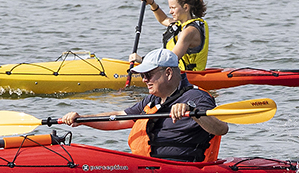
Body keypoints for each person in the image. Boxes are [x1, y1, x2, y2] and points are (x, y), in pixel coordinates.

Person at [59, 47, 226, 162]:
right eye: (142, 75)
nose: (144, 80)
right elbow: (119, 119)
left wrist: (193, 111)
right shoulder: (153, 100)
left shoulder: (197, 97)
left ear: (168, 73)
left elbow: (221, 128)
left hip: (183, 169)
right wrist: (82, 119)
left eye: (148, 74)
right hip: (149, 166)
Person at [137, 0, 208, 71]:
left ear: (186, 7)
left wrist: (143, 60)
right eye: (170, 8)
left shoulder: (189, 31)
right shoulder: (179, 24)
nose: (170, 12)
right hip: (175, 72)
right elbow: (163, 19)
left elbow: (171, 60)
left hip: (187, 77)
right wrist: (151, 3)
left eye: (173, 8)